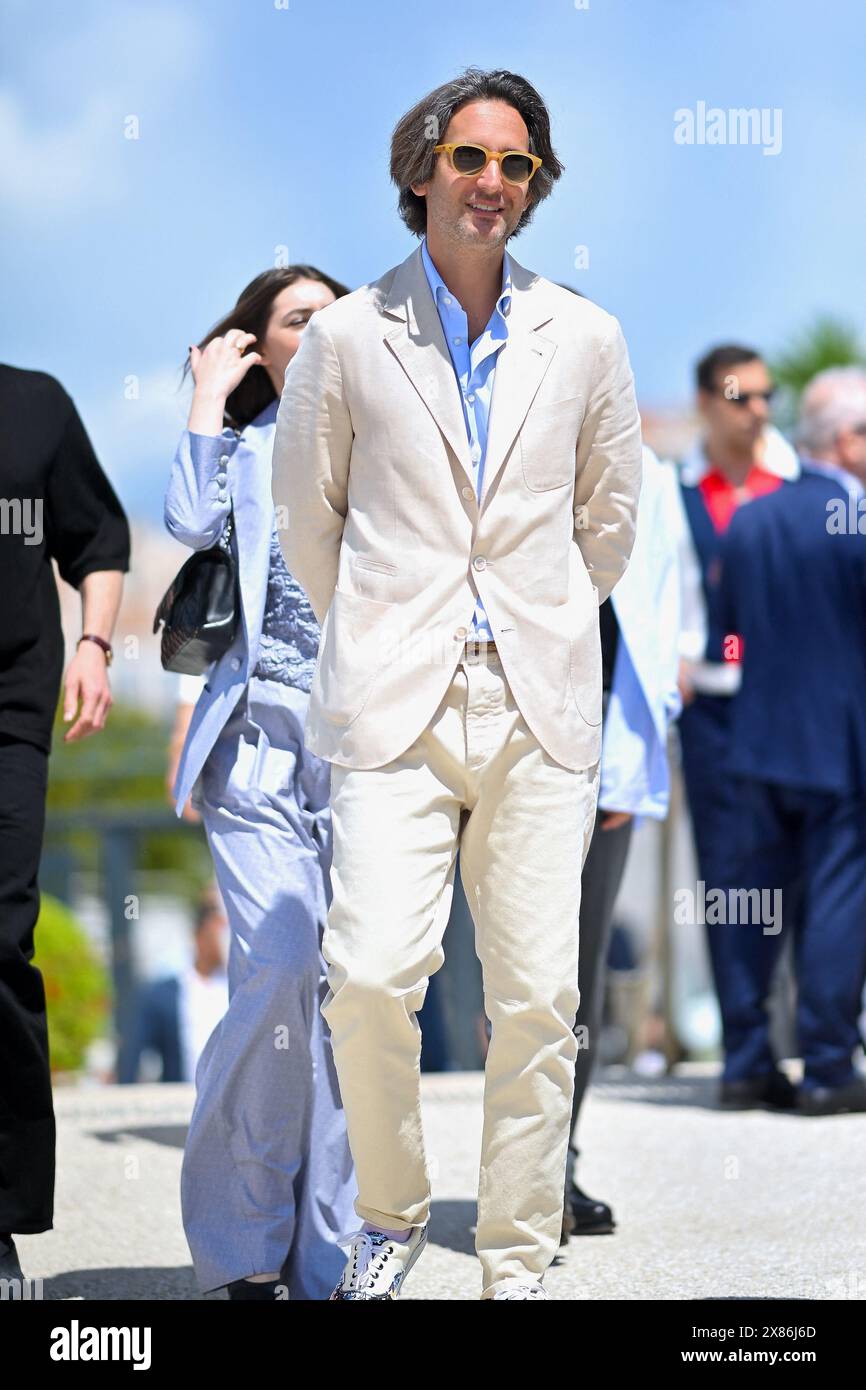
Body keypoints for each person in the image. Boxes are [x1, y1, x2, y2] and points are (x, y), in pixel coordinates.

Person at [272, 67, 642, 1301]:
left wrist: (530, 621)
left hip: (537, 701)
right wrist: (385, 632)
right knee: (371, 974)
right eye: (471, 158)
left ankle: (515, 1255)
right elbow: (306, 518)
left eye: (516, 165)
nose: (492, 182)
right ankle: (390, 1215)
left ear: (534, 187)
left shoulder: (584, 335)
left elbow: (610, 524)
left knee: (538, 997)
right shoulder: (342, 334)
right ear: (421, 168)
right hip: (395, 700)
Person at [164, 265, 358, 1301]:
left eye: (337, 314)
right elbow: (189, 523)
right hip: (255, 740)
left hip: (366, 753)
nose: (322, 330)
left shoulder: (392, 449)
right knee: (279, 968)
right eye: (297, 318)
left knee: (346, 1000)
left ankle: (324, 1260)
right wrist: (206, 396)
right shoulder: (238, 453)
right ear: (260, 345)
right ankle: (240, 1250)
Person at [0, 364, 129, 1286]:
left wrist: (93, 645)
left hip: (9, 705)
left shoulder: (35, 403)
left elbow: (97, 535)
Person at [712, 368, 866, 1115]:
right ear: (847, 439)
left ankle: (744, 1064)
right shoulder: (855, 516)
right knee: (838, 899)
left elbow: (729, 634)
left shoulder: (750, 518)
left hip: (756, 740)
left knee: (750, 905)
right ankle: (831, 1066)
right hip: (839, 746)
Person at [671, 343, 801, 1109]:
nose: (756, 409)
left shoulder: (801, 485)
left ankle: (813, 1044)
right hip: (715, 707)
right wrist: (675, 665)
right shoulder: (674, 491)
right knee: (729, 884)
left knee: (806, 878)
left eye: (765, 395)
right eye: (739, 396)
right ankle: (745, 1053)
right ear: (706, 403)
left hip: (793, 704)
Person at [563, 444, 682, 1241]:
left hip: (597, 752)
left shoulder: (650, 476)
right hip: (475, 741)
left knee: (577, 963)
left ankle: (550, 1163)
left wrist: (629, 755)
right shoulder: (482, 439)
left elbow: (664, 618)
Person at [119, 887, 229, 1084]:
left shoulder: (246, 990)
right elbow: (131, 1056)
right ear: (199, 935)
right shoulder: (164, 993)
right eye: (220, 927)